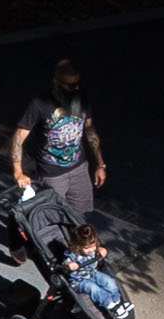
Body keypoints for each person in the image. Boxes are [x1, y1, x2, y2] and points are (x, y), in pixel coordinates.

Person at [7, 58, 106, 257]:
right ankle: (22, 241)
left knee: (78, 217)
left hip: (78, 168)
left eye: (78, 84)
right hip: (51, 174)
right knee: (47, 217)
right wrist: (18, 171)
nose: (75, 88)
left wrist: (100, 164)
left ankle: (74, 254)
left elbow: (90, 131)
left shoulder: (81, 98)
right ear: (56, 82)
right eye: (69, 85)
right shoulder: (40, 104)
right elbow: (19, 136)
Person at [59, 226, 126, 318]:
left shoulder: (94, 250)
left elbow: (101, 250)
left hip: (93, 273)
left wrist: (102, 251)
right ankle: (110, 306)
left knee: (108, 281)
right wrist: (70, 265)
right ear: (77, 246)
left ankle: (117, 301)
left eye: (93, 246)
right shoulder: (72, 255)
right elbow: (66, 265)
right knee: (93, 288)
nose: (91, 250)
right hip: (78, 281)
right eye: (87, 248)